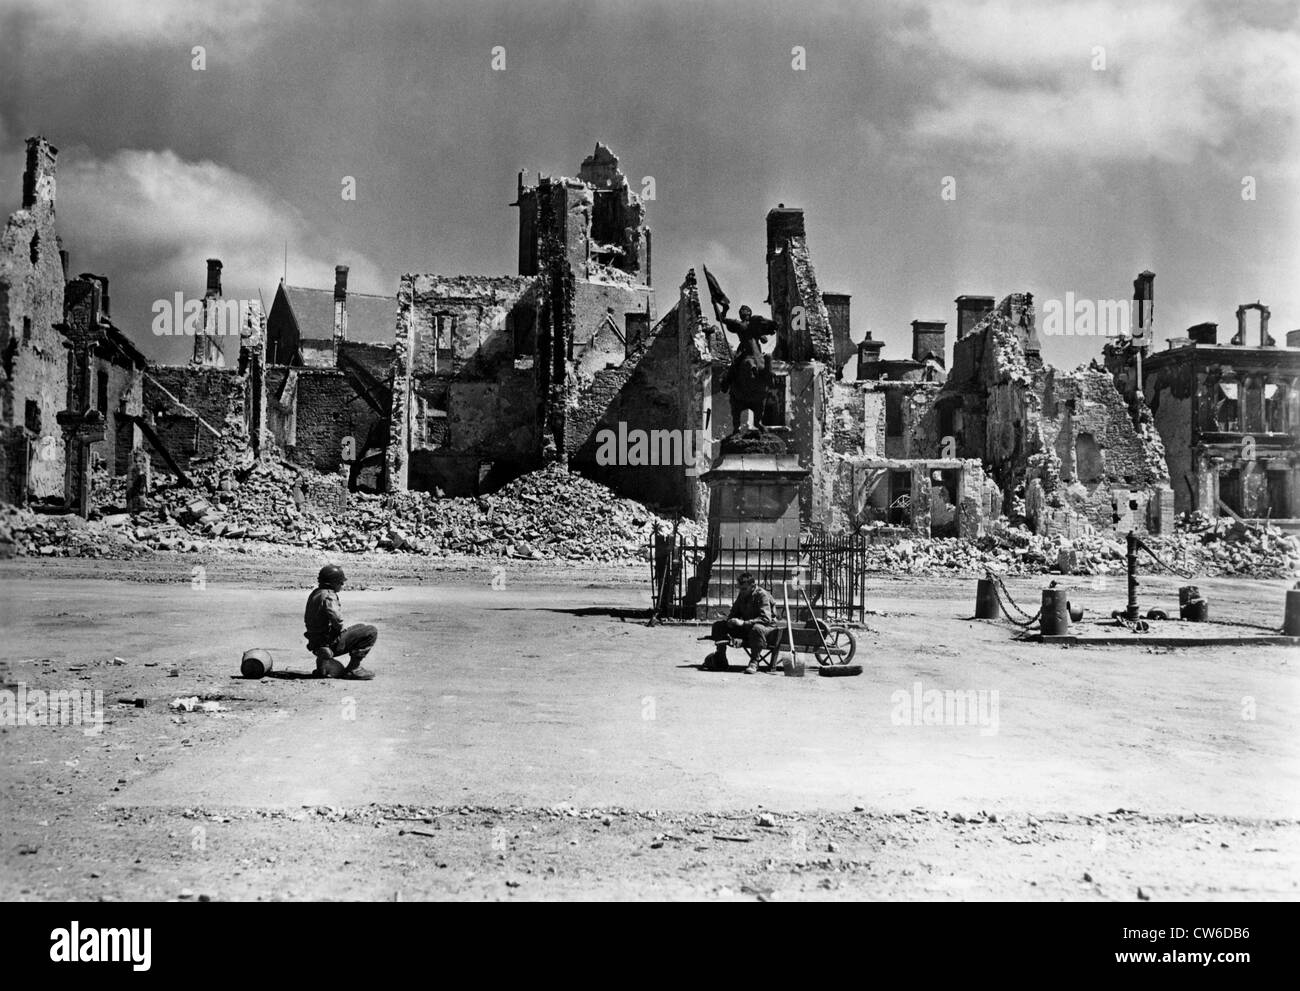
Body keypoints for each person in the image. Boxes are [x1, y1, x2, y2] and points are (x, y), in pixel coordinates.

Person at [305, 565, 378, 680]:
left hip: (316, 642)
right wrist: (338, 631)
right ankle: (354, 669)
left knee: (360, 627)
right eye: (340, 582)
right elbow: (337, 620)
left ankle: (323, 664)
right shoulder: (329, 596)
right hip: (328, 643)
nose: (342, 585)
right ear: (332, 583)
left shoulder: (316, 593)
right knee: (370, 631)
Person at [706, 572, 777, 675]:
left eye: (744, 589)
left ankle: (754, 662)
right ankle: (721, 658)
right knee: (719, 626)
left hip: (767, 629)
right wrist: (730, 621)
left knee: (756, 629)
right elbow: (734, 612)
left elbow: (766, 619)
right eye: (740, 588)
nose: (741, 591)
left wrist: (743, 623)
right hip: (748, 627)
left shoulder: (762, 595)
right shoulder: (743, 594)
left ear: (752, 586)